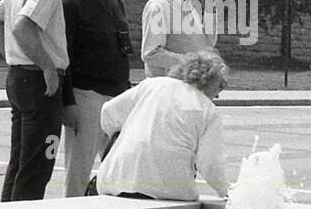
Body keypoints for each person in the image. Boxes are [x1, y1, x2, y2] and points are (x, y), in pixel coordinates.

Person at [0, 0, 80, 201]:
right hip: (40, 84)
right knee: (38, 165)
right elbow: (23, 27)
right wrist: (47, 67)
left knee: (19, 162)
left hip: (19, 78)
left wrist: (14, 57)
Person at [95, 50, 230, 201]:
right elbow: (210, 163)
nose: (218, 94)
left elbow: (108, 112)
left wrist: (119, 137)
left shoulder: (152, 85)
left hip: (115, 181)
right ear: (211, 81)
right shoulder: (207, 109)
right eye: (222, 85)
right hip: (169, 190)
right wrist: (225, 192)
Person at [60, 0, 132, 196]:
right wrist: (67, 103)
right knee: (78, 171)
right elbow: (64, 58)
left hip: (116, 99)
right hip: (86, 99)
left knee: (119, 167)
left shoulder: (115, 1)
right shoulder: (71, 3)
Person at [141, 0, 217, 77]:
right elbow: (151, 54)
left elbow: (207, 44)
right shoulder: (159, 6)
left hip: (189, 86)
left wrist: (210, 10)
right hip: (169, 87)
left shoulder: (190, 7)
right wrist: (194, 63)